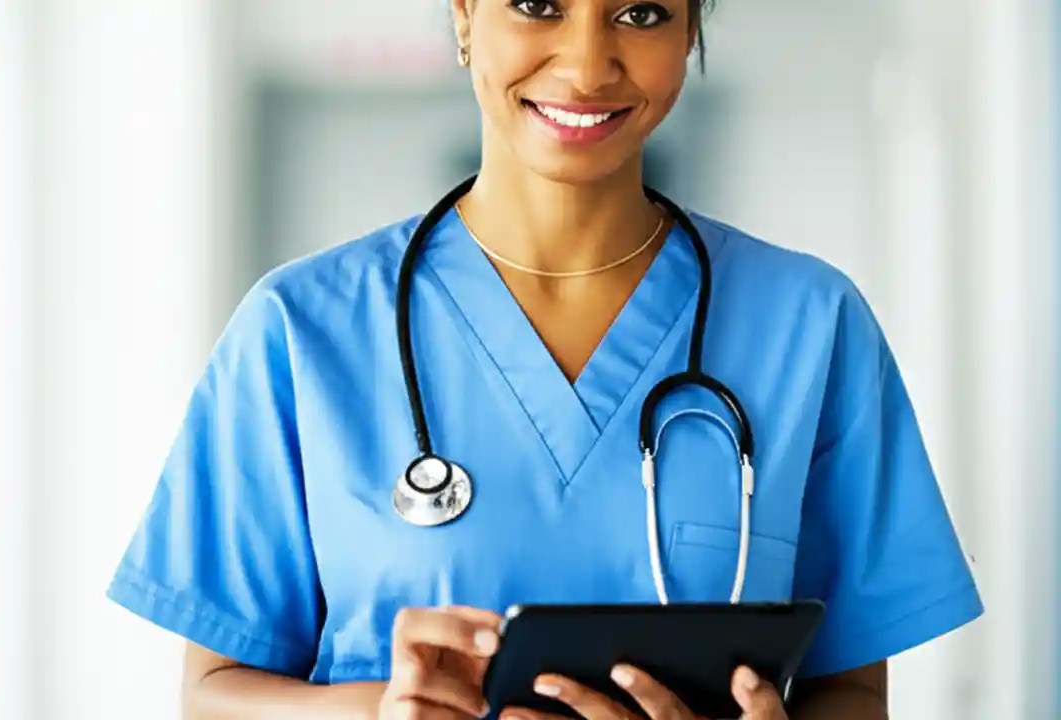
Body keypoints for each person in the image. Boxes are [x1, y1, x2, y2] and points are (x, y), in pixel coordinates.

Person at [106, 0, 983, 718]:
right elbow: (213, 694)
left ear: (693, 32)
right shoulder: (300, 332)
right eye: (536, 5)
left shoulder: (810, 327)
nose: (588, 63)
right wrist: (380, 713)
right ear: (462, 14)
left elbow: (853, 693)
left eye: (641, 13)